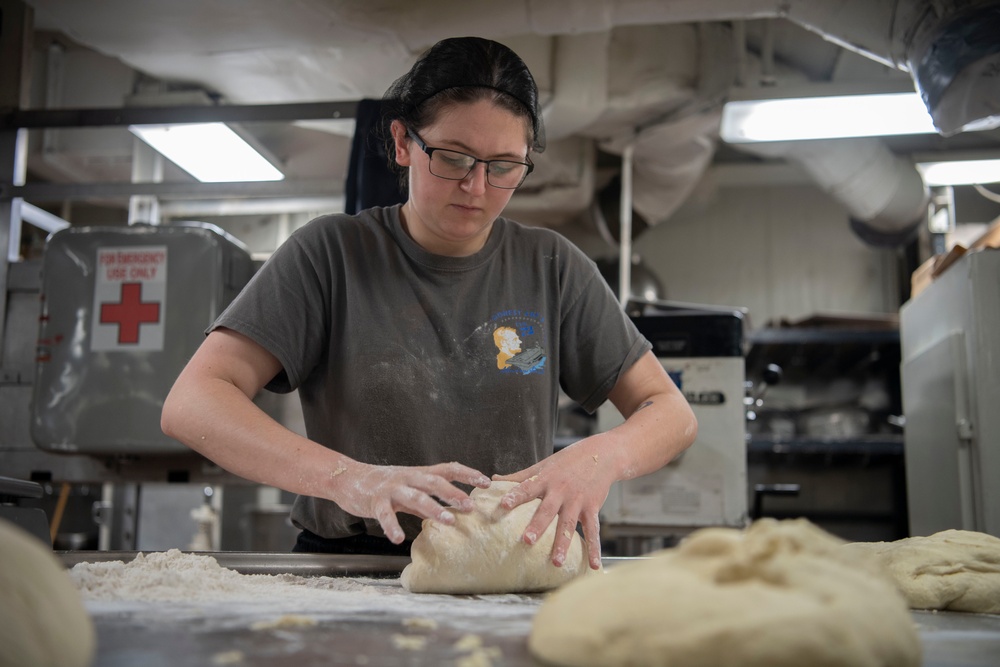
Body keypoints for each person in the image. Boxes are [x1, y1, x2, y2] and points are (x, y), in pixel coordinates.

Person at [161, 36, 697, 570]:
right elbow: (195, 401)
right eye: (453, 157)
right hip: (354, 565)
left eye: (504, 166)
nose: (476, 186)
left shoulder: (551, 267)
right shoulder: (329, 255)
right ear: (402, 143)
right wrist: (352, 479)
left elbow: (670, 412)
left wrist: (597, 458)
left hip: (508, 563)